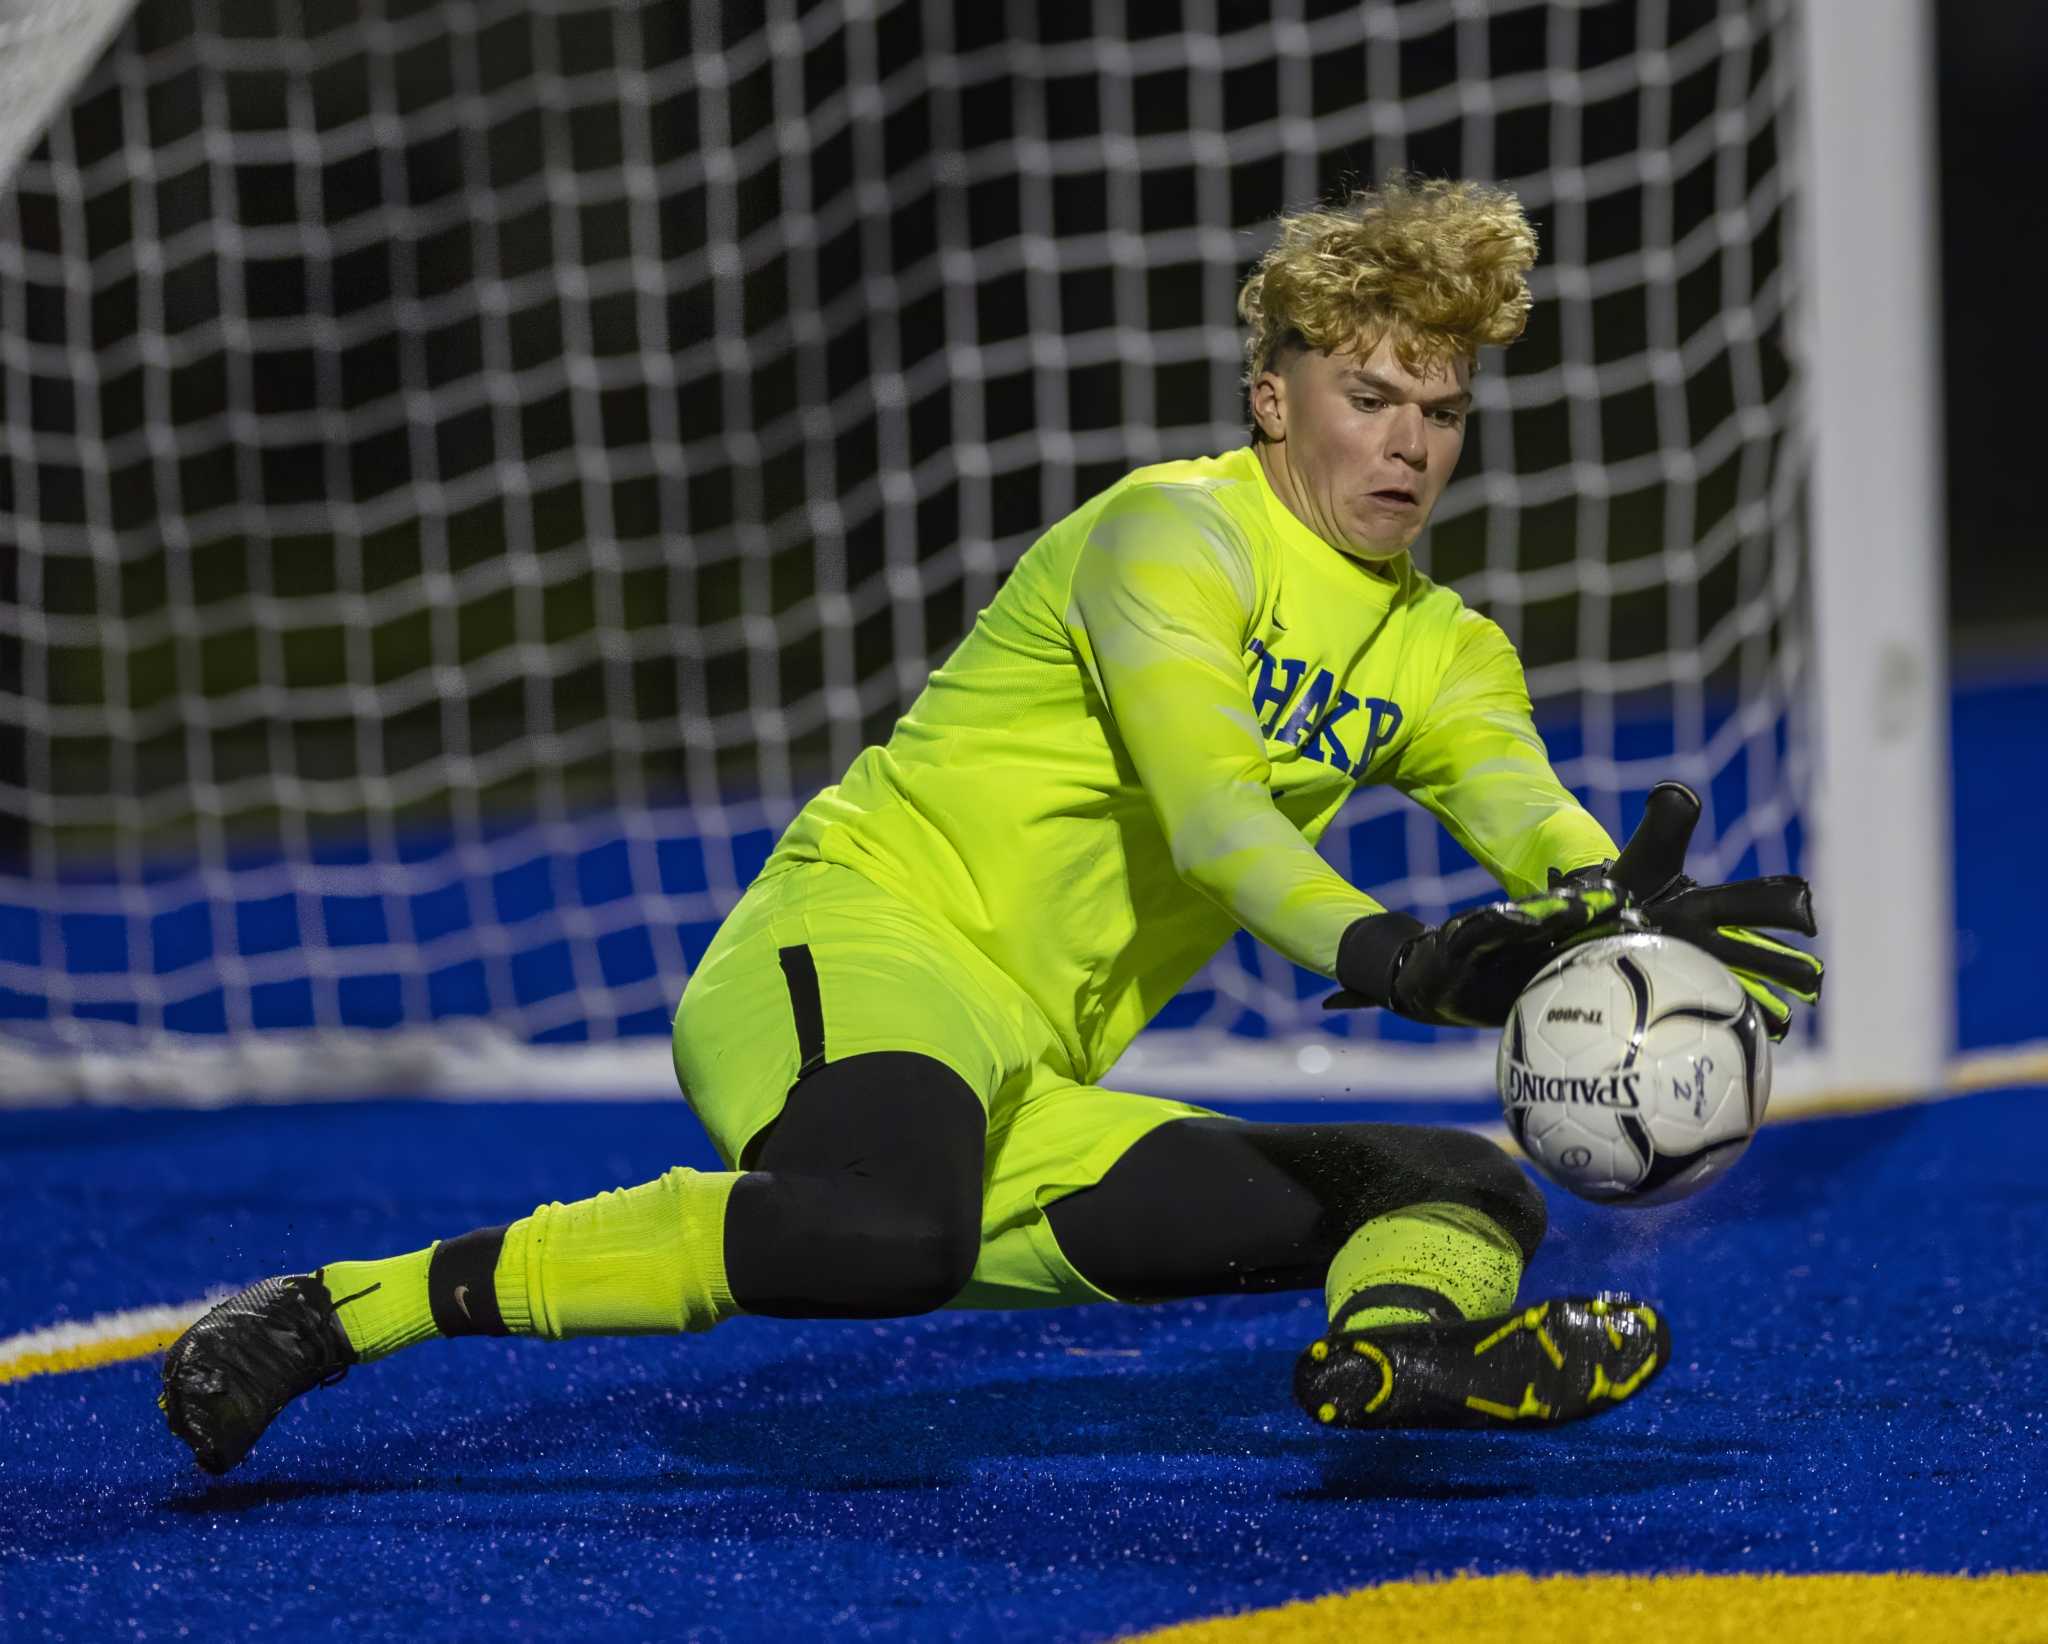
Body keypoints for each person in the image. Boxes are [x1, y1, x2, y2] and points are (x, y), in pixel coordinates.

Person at [161, 176, 1822, 1475]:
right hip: (859, 943)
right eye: (1370, 395)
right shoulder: (1166, 542)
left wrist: (1625, 911)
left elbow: (1529, 812)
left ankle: (1396, 1357)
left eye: (1441, 411)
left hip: (1022, 1080)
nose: (1407, 443)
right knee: (887, 1229)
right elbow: (1220, 816)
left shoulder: (1443, 646)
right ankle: (335, 1313)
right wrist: (1403, 957)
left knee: (1463, 1188)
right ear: (1272, 397)